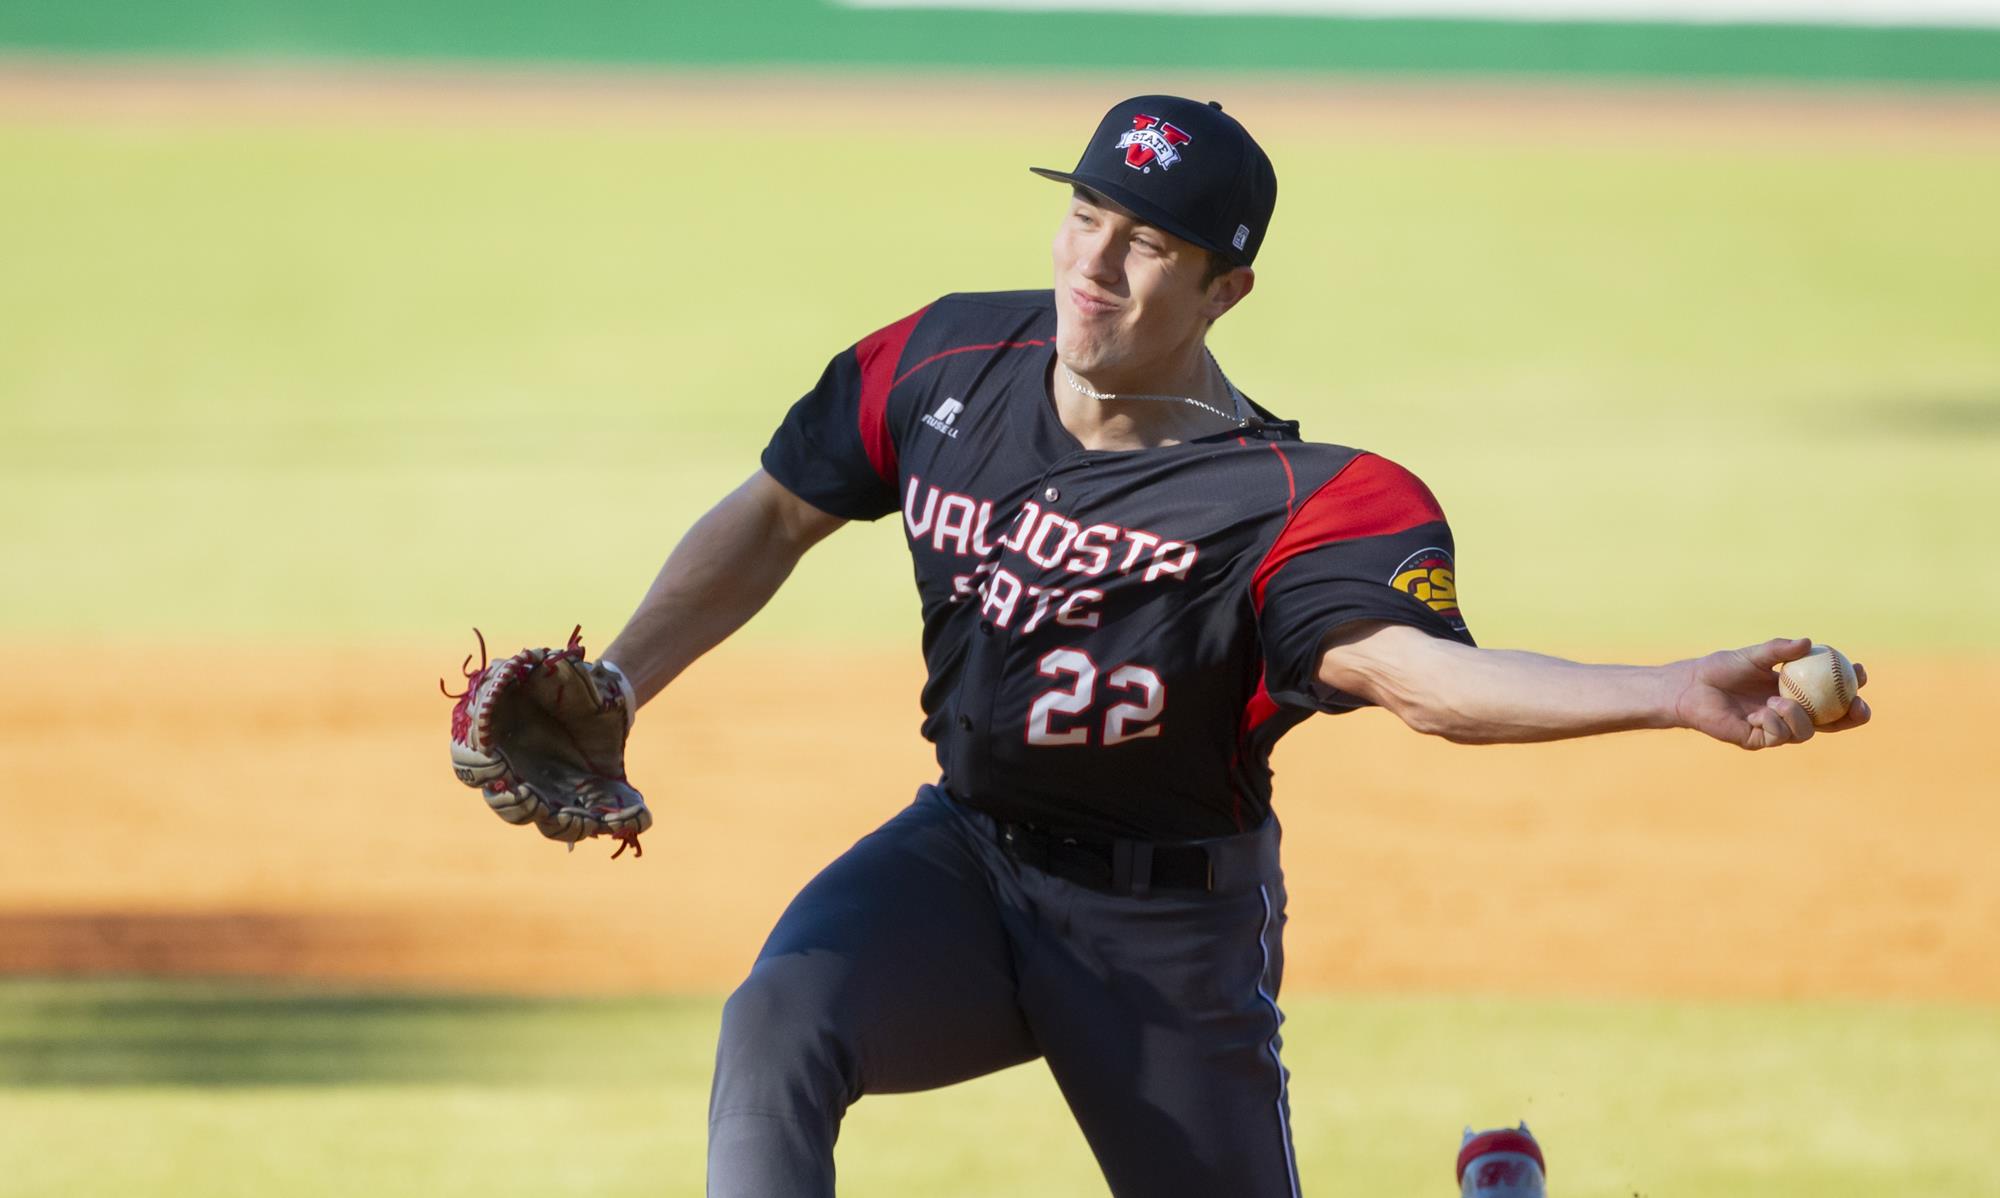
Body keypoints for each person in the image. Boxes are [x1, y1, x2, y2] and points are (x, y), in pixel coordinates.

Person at [594, 95, 1870, 1197]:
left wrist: (1661, 691)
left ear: (1224, 289)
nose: (1096, 263)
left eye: (1148, 242)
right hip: (962, 862)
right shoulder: (942, 360)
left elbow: (1424, 682)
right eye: (1086, 215)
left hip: (1164, 935)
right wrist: (616, 684)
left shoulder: (1295, 499)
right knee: (775, 1023)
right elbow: (774, 513)